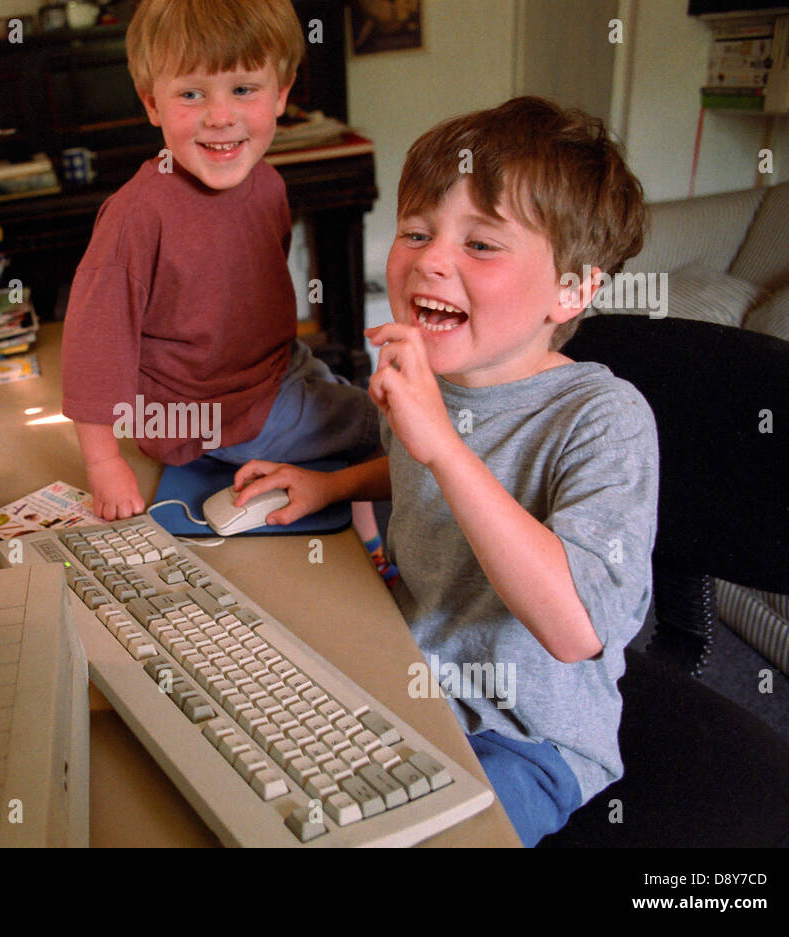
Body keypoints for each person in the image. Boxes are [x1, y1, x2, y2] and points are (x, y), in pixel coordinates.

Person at [231, 97, 659, 846]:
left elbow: (575, 626)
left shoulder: (605, 419)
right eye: (417, 232)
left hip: (526, 735)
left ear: (573, 288)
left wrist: (445, 448)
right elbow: (414, 470)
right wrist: (334, 484)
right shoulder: (436, 373)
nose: (431, 259)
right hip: (415, 673)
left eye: (483, 244)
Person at [61, 0, 379, 521]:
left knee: (352, 397)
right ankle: (376, 550)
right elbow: (92, 351)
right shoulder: (136, 216)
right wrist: (103, 464)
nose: (221, 117)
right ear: (152, 105)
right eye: (191, 94)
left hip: (271, 369)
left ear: (281, 93)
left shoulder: (269, 183)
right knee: (388, 427)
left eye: (243, 90)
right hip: (205, 415)